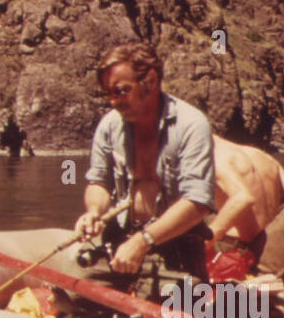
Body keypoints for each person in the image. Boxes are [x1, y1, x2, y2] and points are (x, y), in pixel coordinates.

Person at [74, 41, 215, 279]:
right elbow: (99, 181)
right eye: (108, 93)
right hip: (118, 239)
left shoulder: (192, 124)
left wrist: (144, 241)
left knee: (161, 311)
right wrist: (94, 212)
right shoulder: (109, 125)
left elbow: (197, 202)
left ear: (149, 81)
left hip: (175, 246)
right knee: (71, 292)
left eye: (120, 91)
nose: (113, 101)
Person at [210, 136, 284, 258]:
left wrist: (206, 241)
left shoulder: (216, 159)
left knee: (188, 229)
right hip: (267, 246)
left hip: (231, 248)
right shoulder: (261, 156)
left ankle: (188, 277)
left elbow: (242, 198)